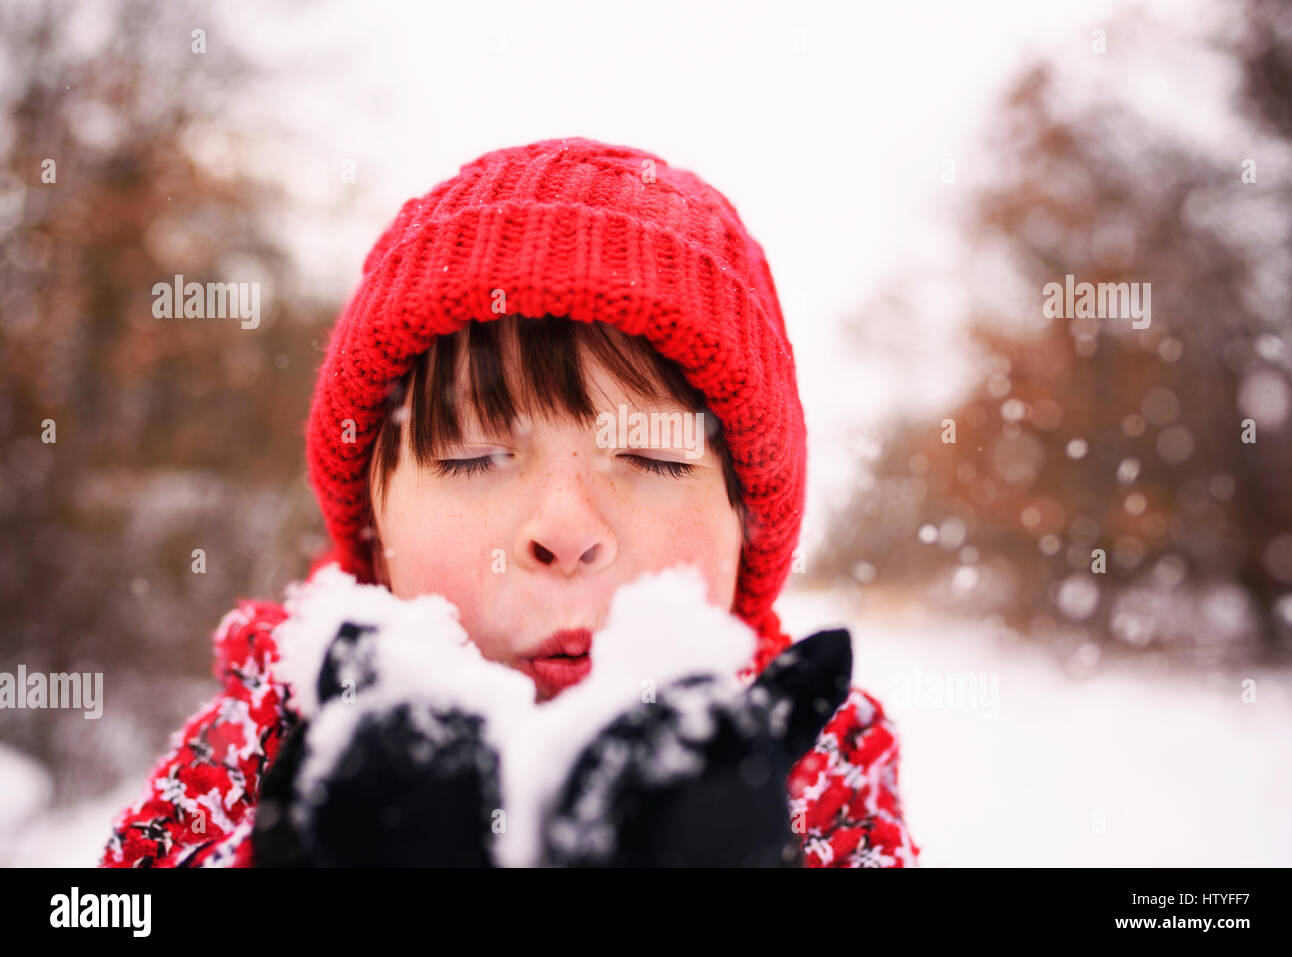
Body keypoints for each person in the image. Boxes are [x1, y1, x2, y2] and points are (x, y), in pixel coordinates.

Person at [98, 136, 921, 868]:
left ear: (748, 530)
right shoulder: (266, 748)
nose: (564, 531)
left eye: (648, 455)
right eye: (475, 455)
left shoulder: (819, 774)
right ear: (374, 531)